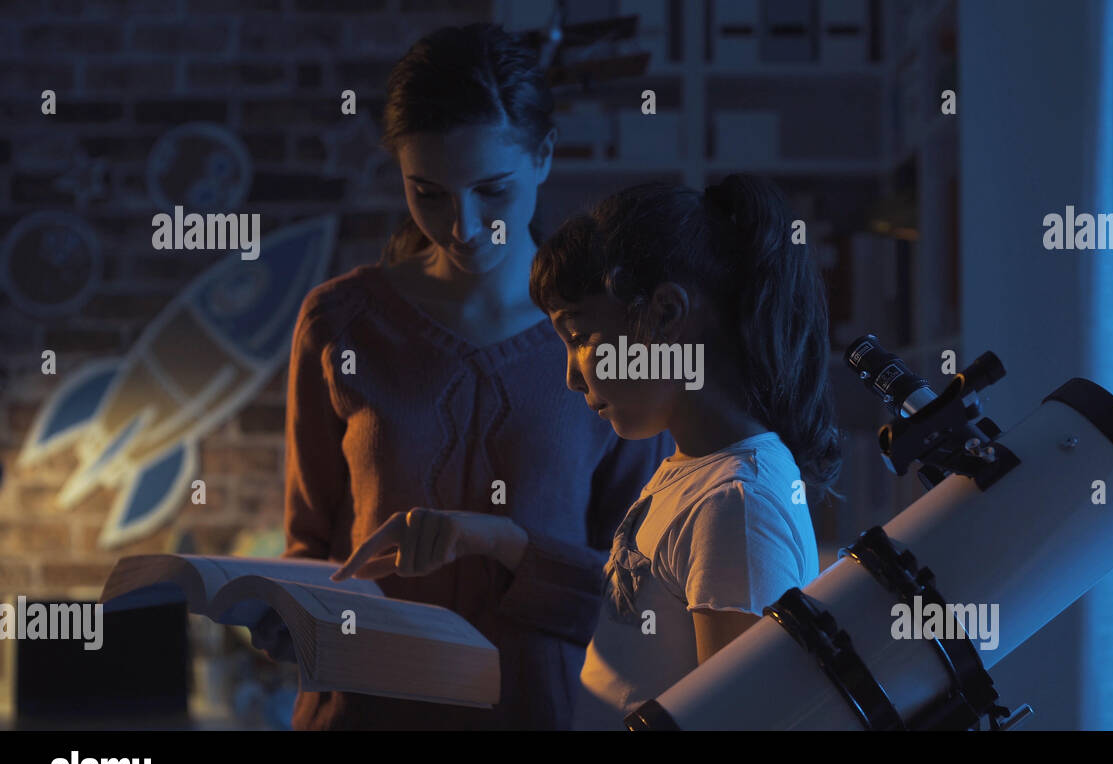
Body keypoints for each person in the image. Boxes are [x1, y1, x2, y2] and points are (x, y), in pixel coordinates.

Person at [264, 23, 672, 731]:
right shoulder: (340, 321)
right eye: (428, 193)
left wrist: (501, 544)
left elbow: (638, 600)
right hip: (357, 714)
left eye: (492, 191)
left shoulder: (613, 337)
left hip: (535, 712)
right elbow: (309, 546)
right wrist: (278, 610)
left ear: (543, 157)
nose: (464, 227)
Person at [334, 173, 841, 730]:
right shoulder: (688, 473)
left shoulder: (738, 504)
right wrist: (487, 538)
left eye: (578, 337)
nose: (573, 378)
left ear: (667, 315)